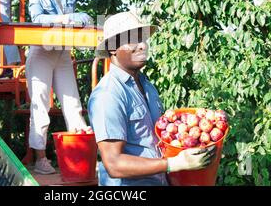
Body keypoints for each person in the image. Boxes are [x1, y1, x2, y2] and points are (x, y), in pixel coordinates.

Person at [24, 0, 134, 174]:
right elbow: (38, 19)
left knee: (73, 105)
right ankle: (40, 159)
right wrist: (68, 18)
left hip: (62, 54)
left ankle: (81, 157)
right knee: (41, 106)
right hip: (41, 54)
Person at [88, 11, 216, 186]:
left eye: (143, 39)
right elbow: (114, 164)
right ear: (112, 48)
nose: (142, 45)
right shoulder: (108, 95)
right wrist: (174, 163)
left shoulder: (146, 85)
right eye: (133, 40)